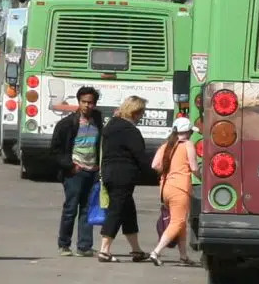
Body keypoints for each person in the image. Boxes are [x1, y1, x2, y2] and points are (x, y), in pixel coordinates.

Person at [95, 96, 157, 262]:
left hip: (108, 172)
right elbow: (140, 156)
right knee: (116, 210)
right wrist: (156, 172)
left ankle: (136, 250)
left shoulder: (111, 126)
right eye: (141, 112)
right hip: (123, 175)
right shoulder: (130, 131)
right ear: (135, 112)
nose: (142, 116)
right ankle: (104, 249)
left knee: (128, 211)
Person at [50, 86, 104, 257]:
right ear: (78, 102)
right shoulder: (67, 124)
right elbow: (55, 150)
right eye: (84, 102)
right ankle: (64, 244)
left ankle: (84, 246)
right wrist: (70, 166)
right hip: (75, 172)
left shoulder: (97, 121)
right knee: (71, 208)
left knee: (88, 209)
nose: (87, 105)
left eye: (90, 103)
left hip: (92, 171)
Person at [146, 115, 200, 265]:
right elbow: (194, 168)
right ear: (188, 132)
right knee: (178, 221)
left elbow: (154, 165)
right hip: (180, 188)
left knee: (180, 221)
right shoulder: (187, 145)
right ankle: (156, 252)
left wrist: (168, 169)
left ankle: (183, 256)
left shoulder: (166, 146)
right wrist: (202, 178)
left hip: (166, 188)